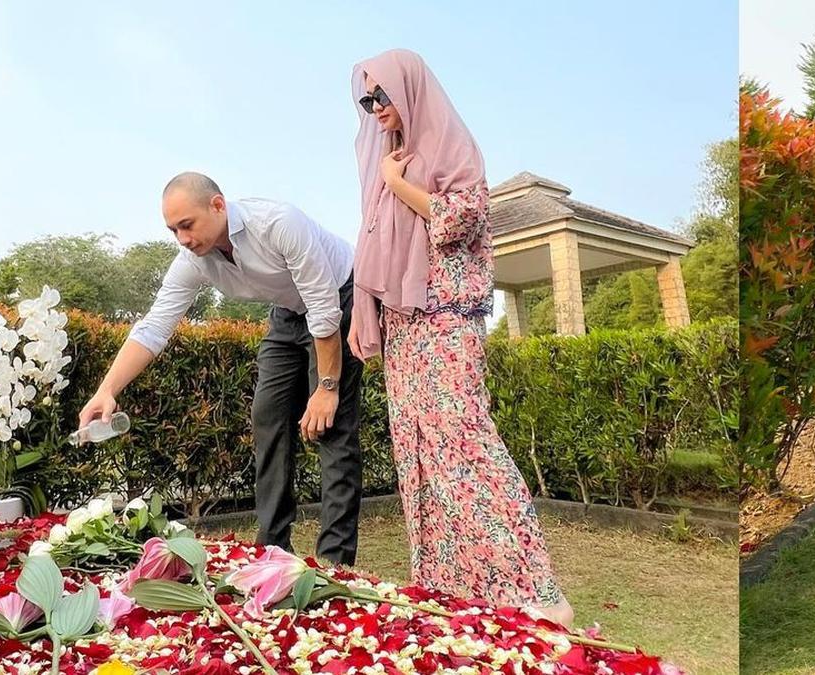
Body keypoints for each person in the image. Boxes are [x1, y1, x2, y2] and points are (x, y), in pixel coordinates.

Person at [347, 49, 573, 626]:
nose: (374, 109)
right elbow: (373, 241)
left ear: (410, 89)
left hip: (447, 313)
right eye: (366, 99)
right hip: (403, 322)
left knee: (463, 440)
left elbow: (458, 221)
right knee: (418, 450)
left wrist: (398, 183)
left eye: (382, 96)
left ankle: (536, 588)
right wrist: (361, 312)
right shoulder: (384, 157)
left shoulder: (449, 146)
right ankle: (448, 584)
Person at [77, 172, 364, 564]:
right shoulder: (193, 261)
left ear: (217, 205)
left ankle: (336, 564)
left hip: (340, 296)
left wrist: (327, 388)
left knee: (332, 429)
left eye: (187, 225)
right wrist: (107, 389)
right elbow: (155, 326)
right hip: (287, 310)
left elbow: (324, 309)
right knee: (268, 416)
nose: (182, 238)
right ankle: (273, 553)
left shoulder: (279, 223)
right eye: (173, 229)